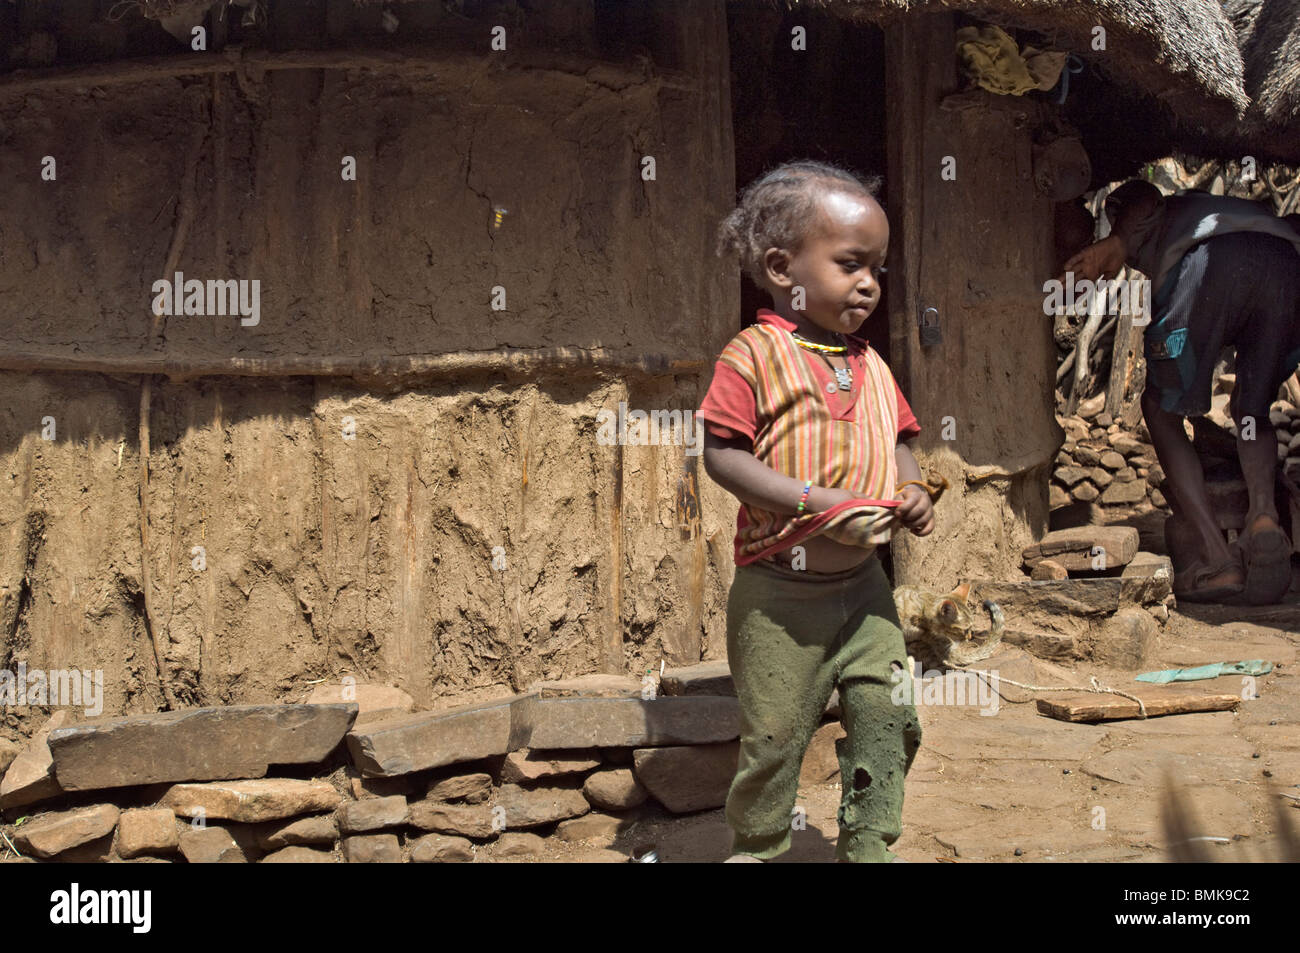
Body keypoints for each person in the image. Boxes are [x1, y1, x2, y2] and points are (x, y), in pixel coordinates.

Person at [696, 160, 933, 863]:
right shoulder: (751, 357)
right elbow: (721, 456)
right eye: (851, 264)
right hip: (779, 594)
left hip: (864, 592)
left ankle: (867, 841)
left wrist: (914, 489)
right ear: (780, 266)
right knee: (773, 734)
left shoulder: (875, 366)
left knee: (887, 711)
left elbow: (898, 443)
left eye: (878, 269)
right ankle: (762, 844)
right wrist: (814, 501)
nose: (870, 283)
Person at [1063, 181, 1300, 603]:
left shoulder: (1154, 215)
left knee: (1158, 410)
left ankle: (1219, 559)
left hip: (1211, 263)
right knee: (1252, 411)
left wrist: (1115, 242)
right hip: (1285, 265)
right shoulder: (1226, 211)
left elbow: (1143, 195)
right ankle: (1263, 518)